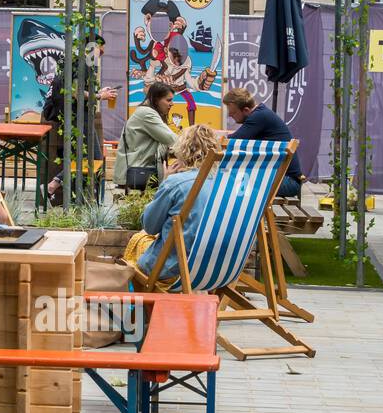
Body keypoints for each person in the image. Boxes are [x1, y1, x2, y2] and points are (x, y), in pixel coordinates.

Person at [135, 124, 219, 280]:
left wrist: (166, 182)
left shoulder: (176, 184)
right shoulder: (224, 185)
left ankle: (146, 303)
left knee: (137, 242)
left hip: (173, 268)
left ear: (183, 150)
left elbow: (150, 227)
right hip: (213, 267)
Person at [43, 35, 118, 203]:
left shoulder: (75, 62)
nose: (100, 56)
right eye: (100, 51)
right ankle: (59, 185)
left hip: (74, 115)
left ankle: (64, 187)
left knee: (91, 157)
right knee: (94, 157)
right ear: (92, 48)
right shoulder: (82, 64)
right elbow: (76, 92)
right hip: (77, 115)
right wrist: (100, 95)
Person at [223, 87, 303, 198]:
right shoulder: (261, 114)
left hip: (288, 182)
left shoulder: (259, 117)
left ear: (246, 110)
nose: (229, 115)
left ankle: (238, 213)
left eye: (233, 113)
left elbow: (232, 141)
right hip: (283, 178)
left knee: (233, 180)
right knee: (235, 177)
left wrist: (209, 137)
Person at [114, 82, 179, 190]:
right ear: (156, 99)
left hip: (138, 172)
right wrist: (198, 140)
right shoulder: (147, 114)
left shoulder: (146, 111)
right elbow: (172, 139)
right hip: (136, 173)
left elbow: (163, 144)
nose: (172, 104)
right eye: (168, 100)